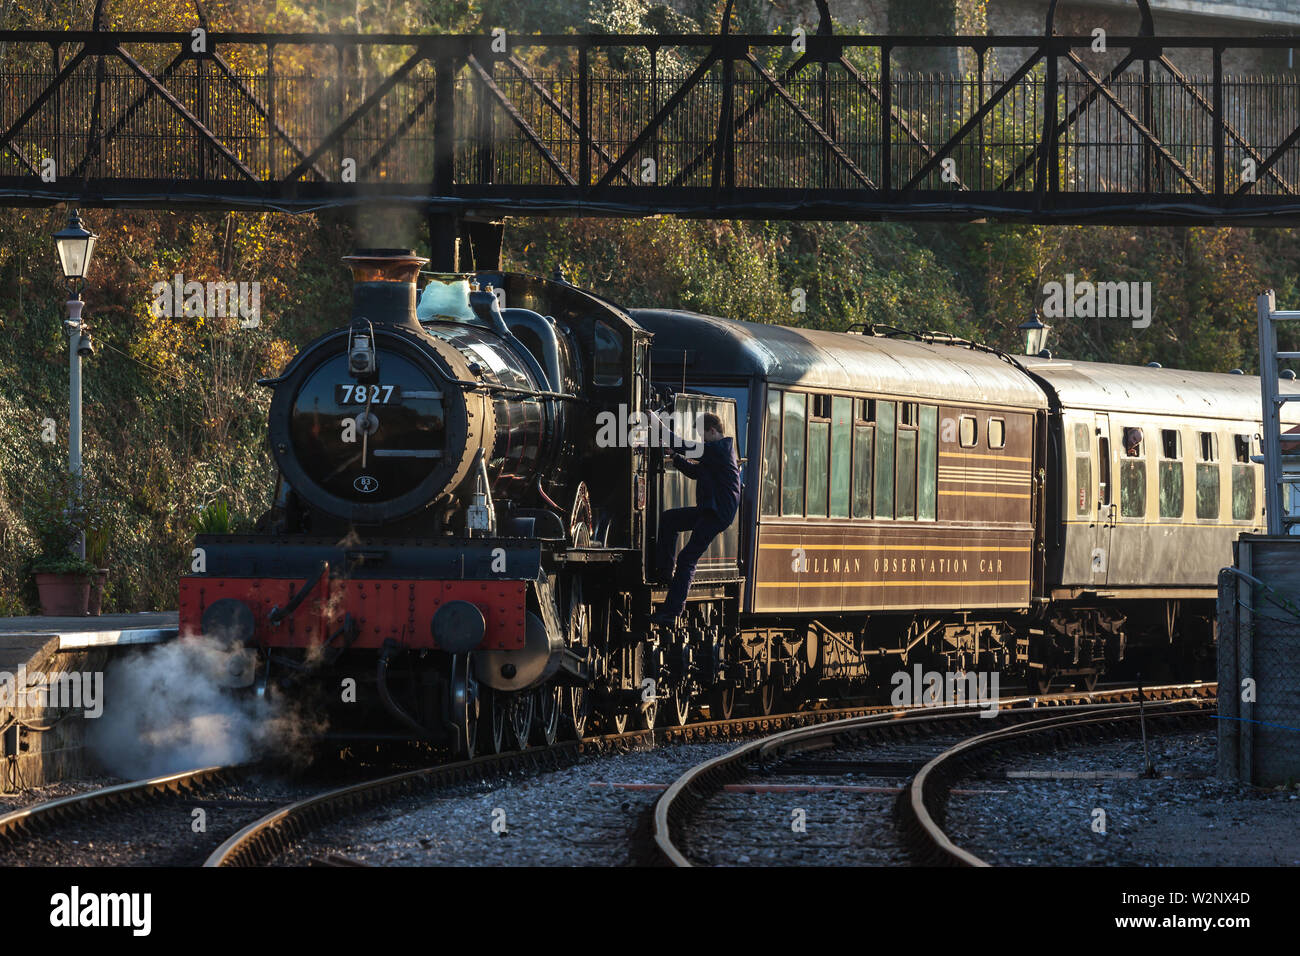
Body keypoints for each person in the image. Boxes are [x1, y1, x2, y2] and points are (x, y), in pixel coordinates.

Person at [648, 411, 742, 625]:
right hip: (709, 509)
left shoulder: (719, 449)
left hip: (717, 513)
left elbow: (684, 444)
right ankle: (664, 574)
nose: (702, 440)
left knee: (687, 558)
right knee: (669, 519)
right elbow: (694, 472)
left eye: (703, 435)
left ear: (712, 430)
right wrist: (675, 458)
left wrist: (656, 423)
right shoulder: (715, 453)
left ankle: (672, 613)